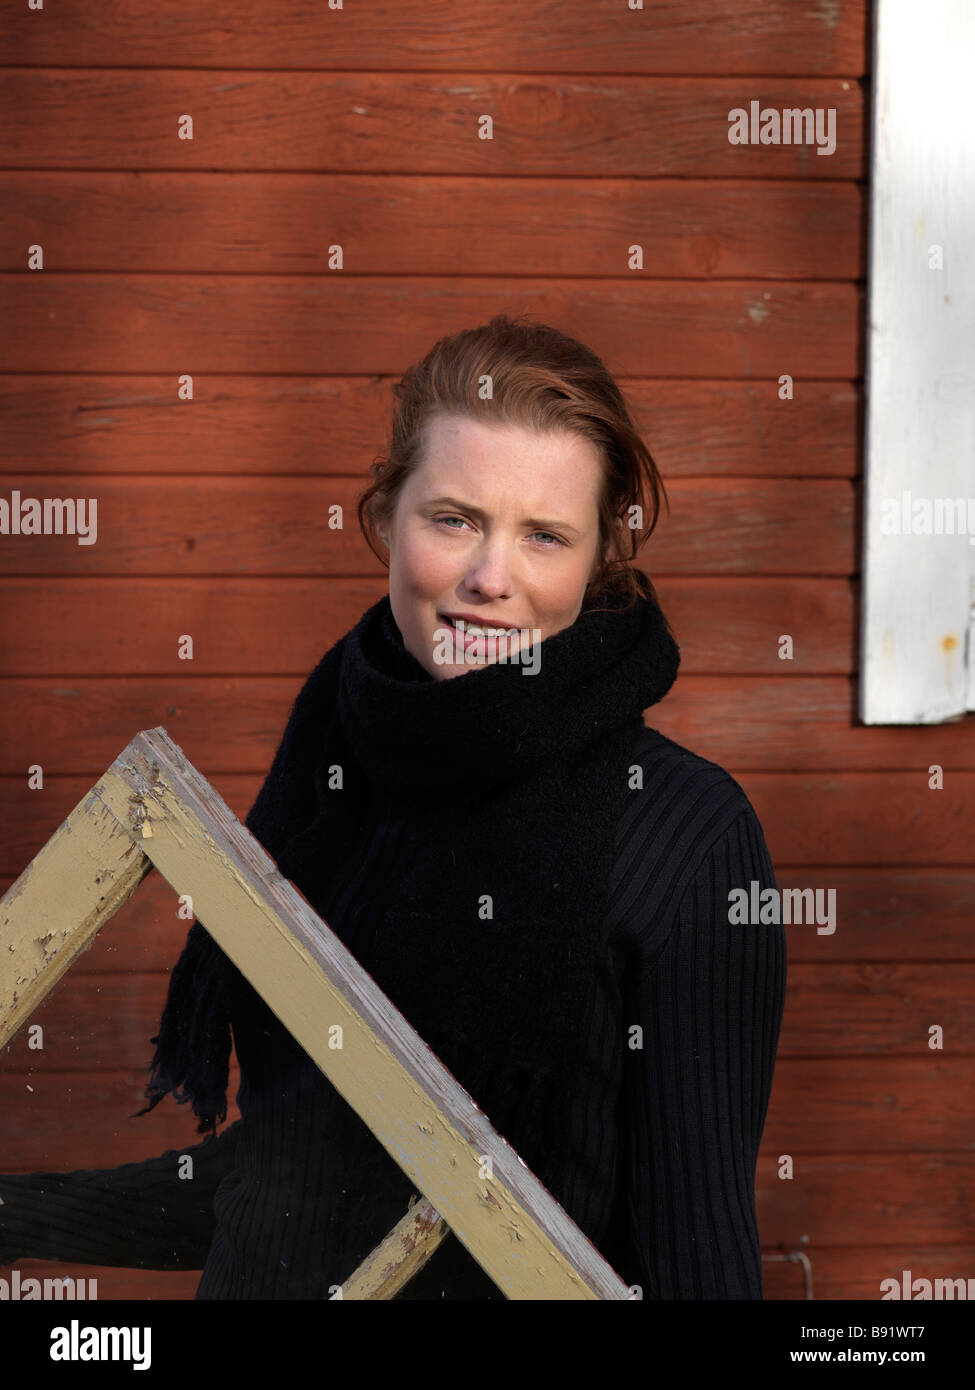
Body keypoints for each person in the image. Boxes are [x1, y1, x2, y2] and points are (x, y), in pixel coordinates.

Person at [0, 313, 786, 1299]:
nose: (489, 579)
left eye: (545, 535)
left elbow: (696, 1267)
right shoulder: (329, 773)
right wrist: (17, 1214)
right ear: (385, 517)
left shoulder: (687, 837)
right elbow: (291, 1185)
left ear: (599, 558)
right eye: (453, 518)